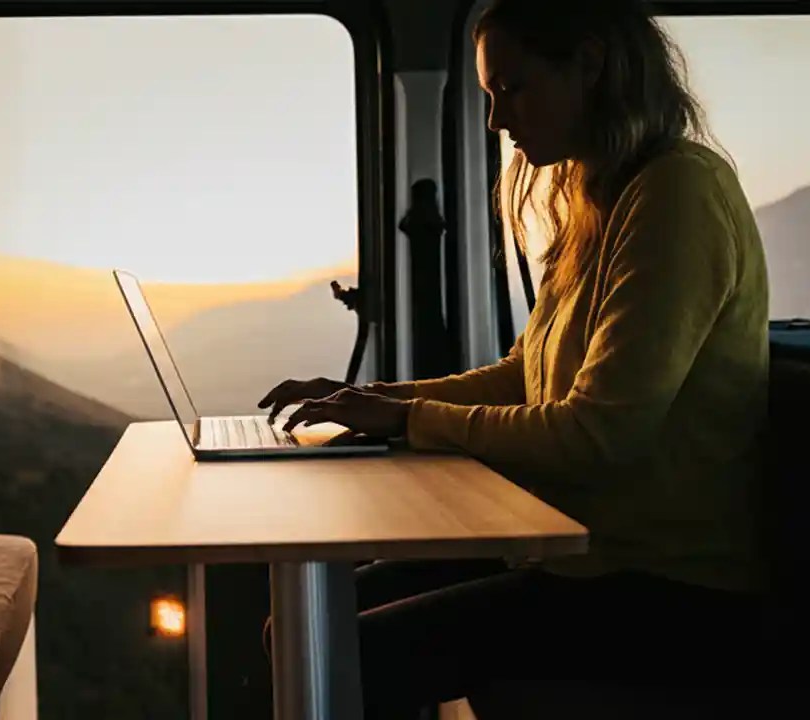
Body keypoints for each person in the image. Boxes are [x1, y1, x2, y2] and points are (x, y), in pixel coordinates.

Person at [257, 0, 772, 715]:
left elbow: (598, 434)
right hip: (577, 553)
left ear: (588, 66)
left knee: (344, 650)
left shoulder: (678, 194)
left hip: (664, 583)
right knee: (301, 628)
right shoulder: (599, 201)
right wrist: (380, 401)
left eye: (513, 88)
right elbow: (521, 376)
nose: (497, 119)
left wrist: (409, 422)